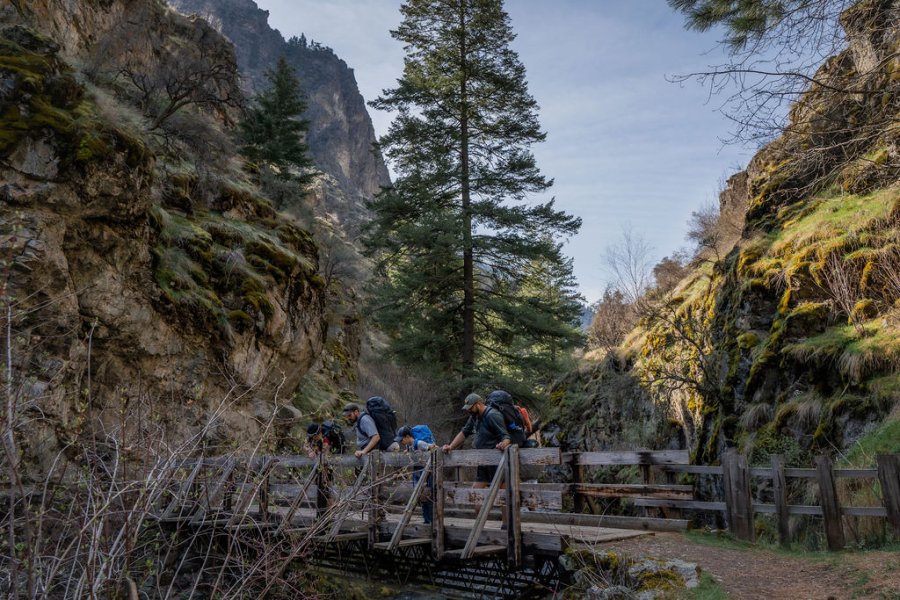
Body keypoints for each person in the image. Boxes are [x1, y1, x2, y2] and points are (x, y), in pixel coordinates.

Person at [393, 425, 436, 524]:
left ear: (408, 437)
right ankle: (427, 519)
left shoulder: (419, 443)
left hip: (426, 471)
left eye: (402, 439)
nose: (401, 442)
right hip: (417, 471)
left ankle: (431, 520)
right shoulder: (409, 445)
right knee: (420, 495)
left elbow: (433, 447)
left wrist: (432, 448)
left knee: (428, 494)